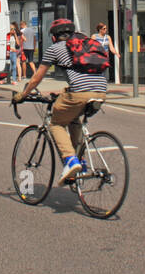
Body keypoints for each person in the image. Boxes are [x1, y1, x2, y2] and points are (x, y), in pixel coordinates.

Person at [14, 19, 106, 184]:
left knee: (56, 123)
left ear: (54, 37)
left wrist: (23, 94)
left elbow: (36, 78)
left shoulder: (55, 48)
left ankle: (71, 161)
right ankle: (81, 160)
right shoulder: (85, 43)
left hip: (79, 93)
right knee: (73, 119)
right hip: (101, 91)